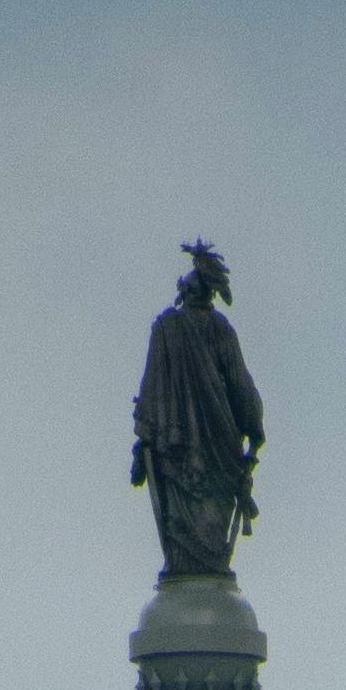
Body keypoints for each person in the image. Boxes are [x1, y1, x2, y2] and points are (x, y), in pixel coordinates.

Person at [132, 243, 265, 574]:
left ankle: (189, 568)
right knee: (208, 508)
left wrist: (146, 430)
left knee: (182, 506)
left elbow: (150, 386)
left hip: (175, 444)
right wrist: (254, 432)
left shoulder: (167, 328)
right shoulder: (211, 328)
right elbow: (240, 386)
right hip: (215, 440)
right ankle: (198, 568)